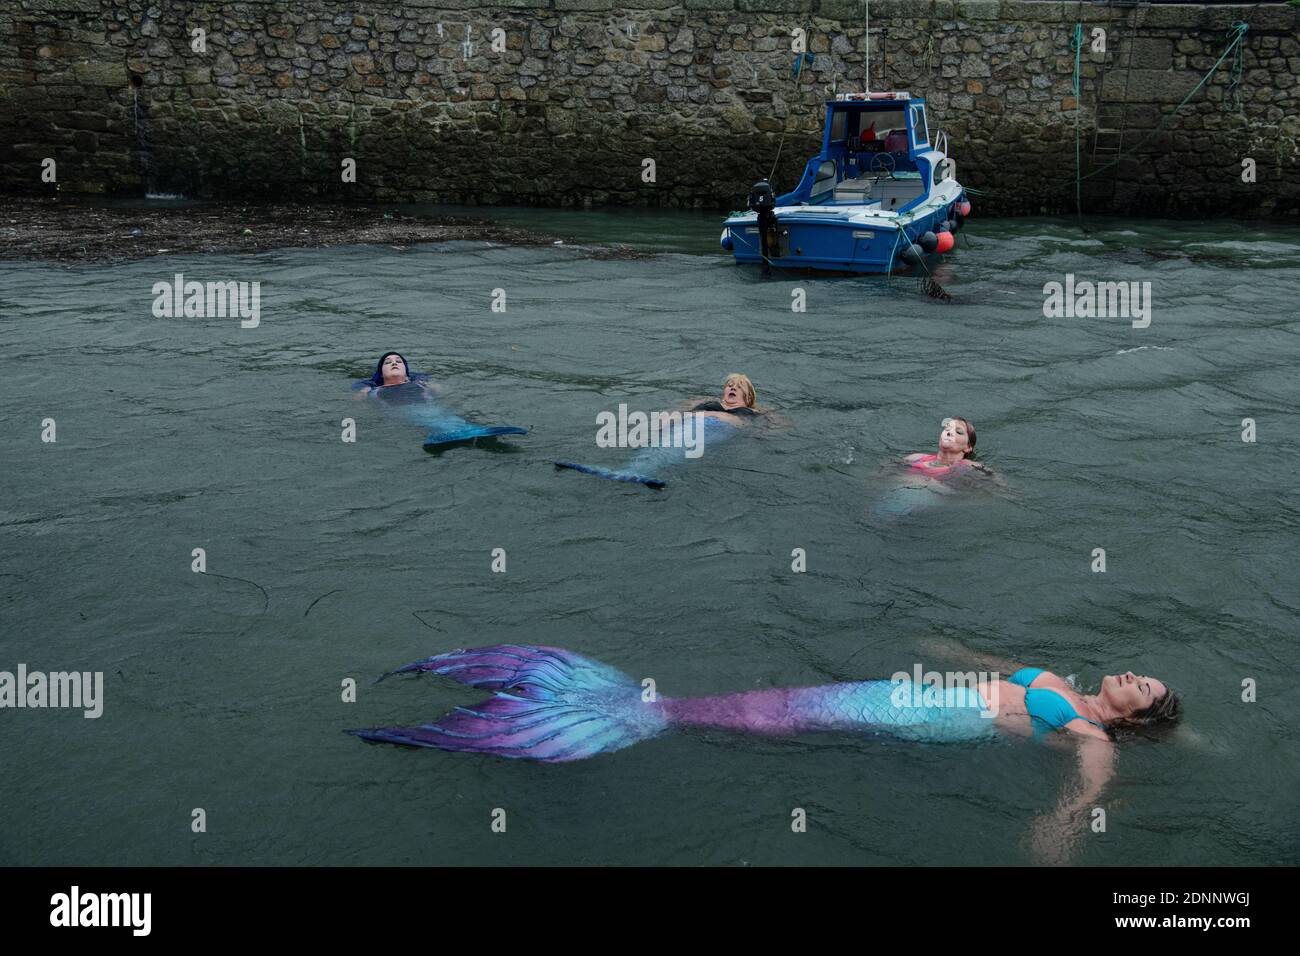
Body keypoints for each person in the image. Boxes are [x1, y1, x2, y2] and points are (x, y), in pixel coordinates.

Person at [684, 373, 762, 423]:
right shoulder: (708, 401)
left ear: (749, 398)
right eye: (730, 386)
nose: (733, 388)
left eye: (739, 387)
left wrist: (710, 414)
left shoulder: (753, 412)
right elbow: (684, 410)